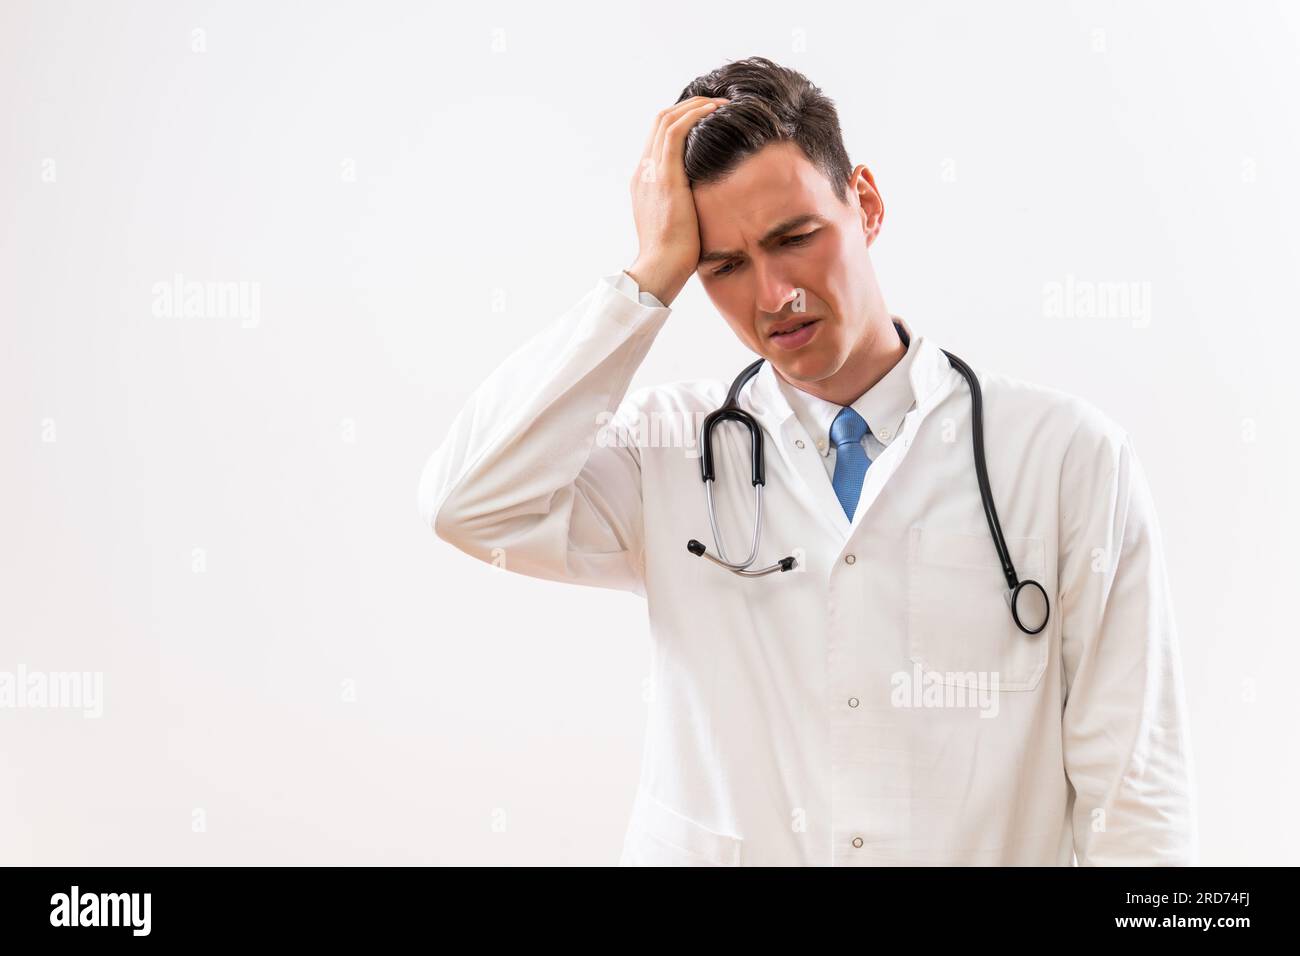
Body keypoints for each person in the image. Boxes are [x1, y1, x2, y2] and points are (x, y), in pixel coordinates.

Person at [417, 56, 1197, 866]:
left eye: (794, 238)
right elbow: (469, 504)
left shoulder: (1066, 457)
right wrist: (648, 277)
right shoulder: (670, 451)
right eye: (722, 266)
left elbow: (1134, 794)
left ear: (865, 202)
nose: (772, 294)